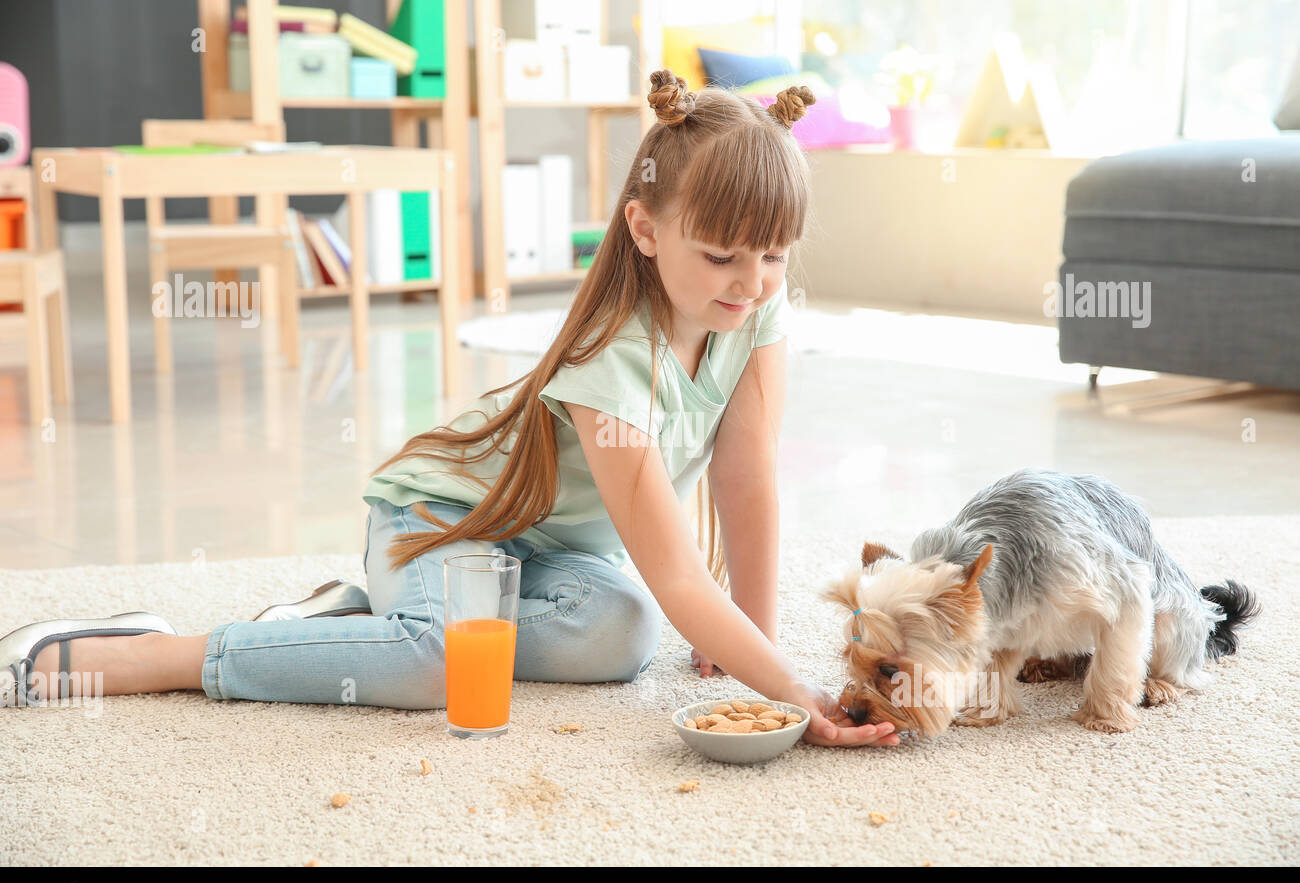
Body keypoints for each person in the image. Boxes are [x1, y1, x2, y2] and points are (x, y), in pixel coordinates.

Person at [1, 70, 898, 748]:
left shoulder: (756, 311)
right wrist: (794, 691)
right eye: (722, 256)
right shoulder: (612, 360)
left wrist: (752, 648)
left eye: (773, 256)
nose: (751, 282)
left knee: (622, 634)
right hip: (439, 517)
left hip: (548, 553)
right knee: (440, 663)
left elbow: (745, 478)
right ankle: (156, 654)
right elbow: (679, 578)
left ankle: (359, 626)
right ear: (645, 229)